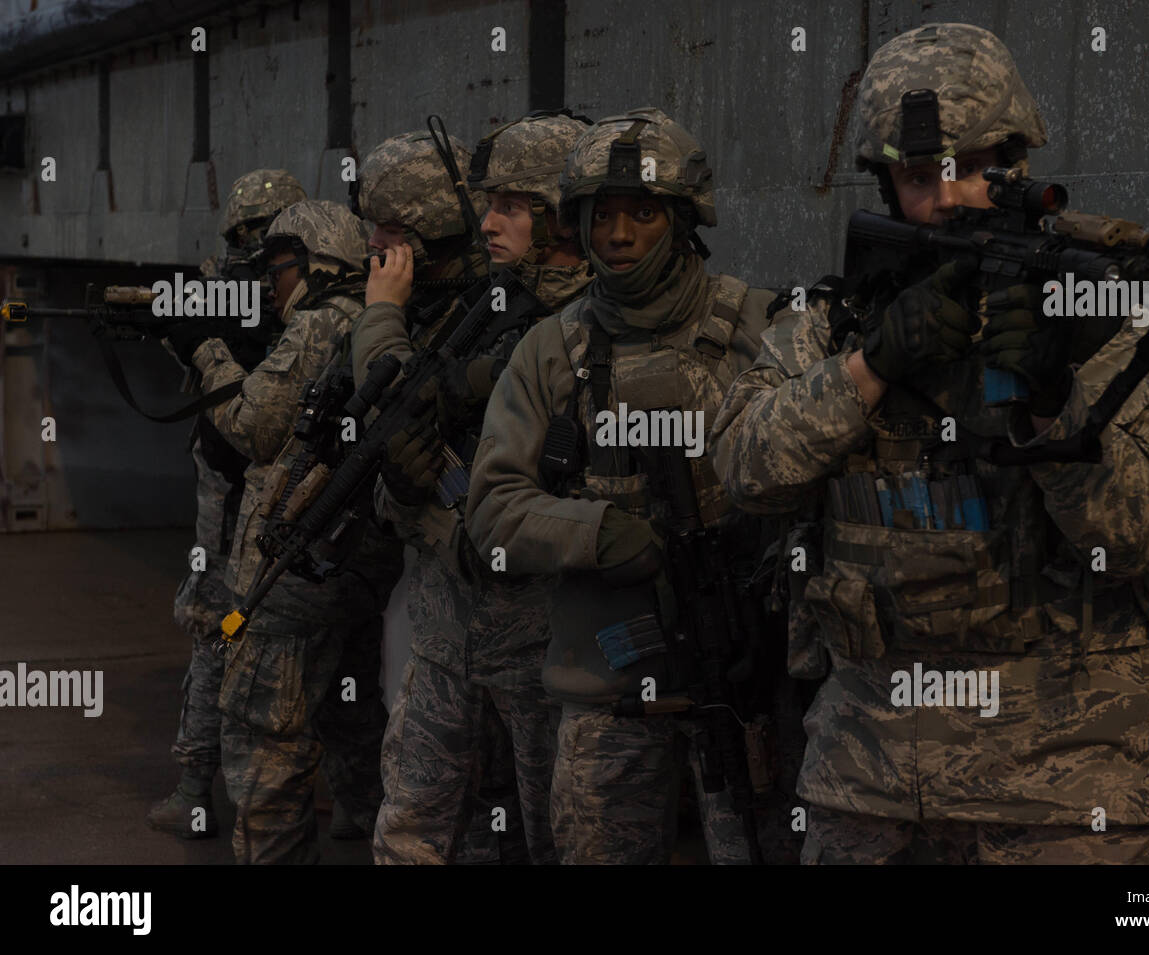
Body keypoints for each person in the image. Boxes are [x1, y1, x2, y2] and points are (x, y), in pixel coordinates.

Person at [709, 22, 1149, 864]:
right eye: (920, 176)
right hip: (872, 781)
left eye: (975, 170)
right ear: (884, 185)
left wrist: (1056, 406)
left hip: (1072, 785)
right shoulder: (833, 327)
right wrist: (872, 365)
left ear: (1018, 171)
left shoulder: (1105, 325)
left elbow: (1143, 536)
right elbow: (743, 471)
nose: (948, 200)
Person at [465, 107, 796, 864]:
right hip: (607, 689)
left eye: (642, 214)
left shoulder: (761, 327)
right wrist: (595, 532)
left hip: (746, 681)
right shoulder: (553, 348)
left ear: (682, 221)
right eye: (602, 215)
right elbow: (492, 507)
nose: (619, 235)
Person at [354, 112, 593, 864]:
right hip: (449, 625)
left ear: (558, 214)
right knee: (412, 826)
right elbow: (411, 415)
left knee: (552, 829)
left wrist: (380, 320)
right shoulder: (489, 307)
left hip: (544, 640)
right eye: (487, 203)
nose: (488, 221)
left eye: (512, 206)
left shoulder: (589, 327)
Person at [168, 199, 403, 863]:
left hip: (290, 590)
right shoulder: (371, 322)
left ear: (317, 265)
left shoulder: (322, 323)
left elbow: (251, 425)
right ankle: (378, 832)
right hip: (346, 575)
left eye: (278, 269)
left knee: (265, 751)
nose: (270, 285)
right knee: (352, 721)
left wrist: (205, 348)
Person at [148, 168, 305, 840]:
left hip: (278, 498)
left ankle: (198, 789)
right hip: (232, 490)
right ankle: (196, 787)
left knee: (230, 635)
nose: (250, 251)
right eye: (241, 238)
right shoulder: (228, 293)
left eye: (261, 239)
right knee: (222, 632)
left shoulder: (306, 310)